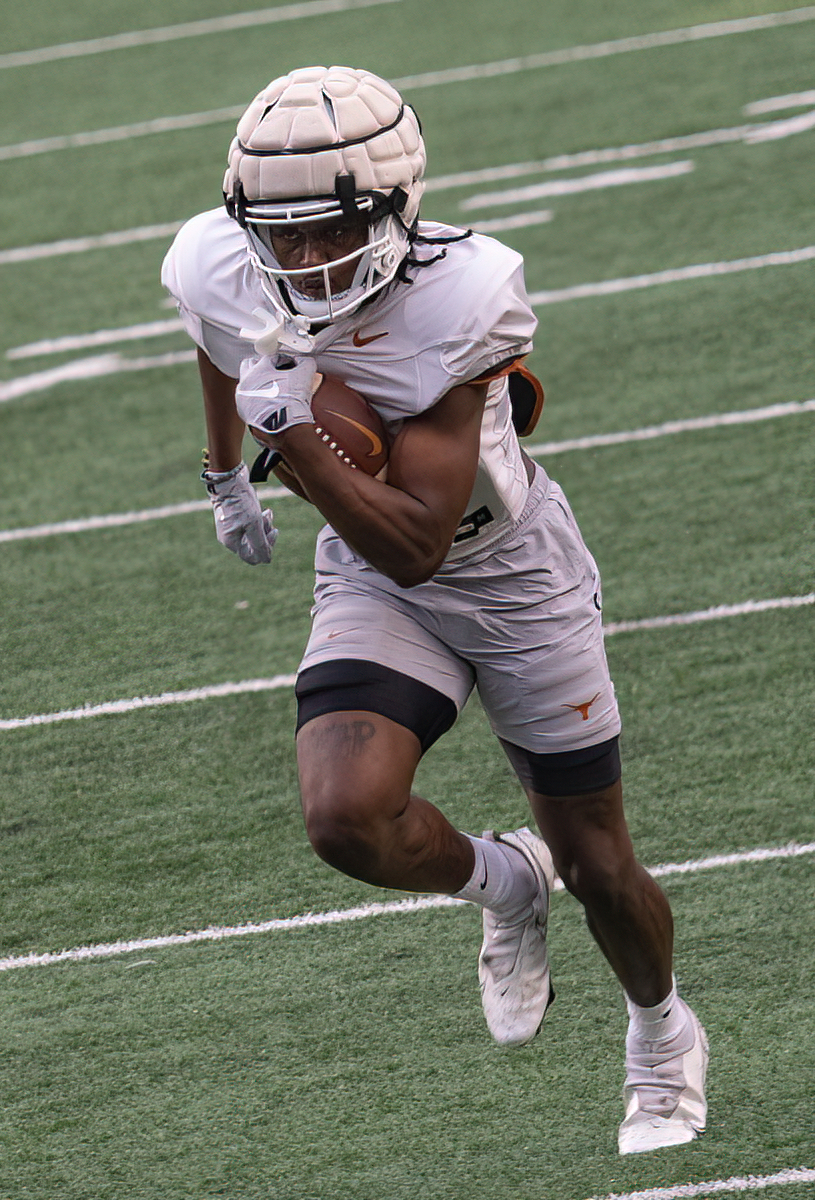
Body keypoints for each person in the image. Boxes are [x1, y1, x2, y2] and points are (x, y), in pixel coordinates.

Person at [161, 65, 708, 1154]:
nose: (303, 259)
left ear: (395, 205)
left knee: (599, 864)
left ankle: (661, 1035)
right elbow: (218, 336)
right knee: (343, 817)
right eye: (280, 235)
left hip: (505, 572)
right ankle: (504, 882)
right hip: (368, 572)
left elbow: (416, 541)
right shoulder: (219, 261)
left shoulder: (465, 294)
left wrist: (293, 439)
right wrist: (225, 474)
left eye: (329, 229)